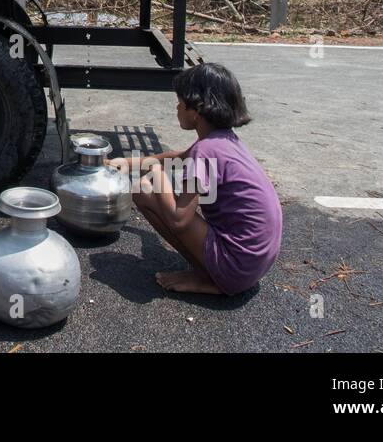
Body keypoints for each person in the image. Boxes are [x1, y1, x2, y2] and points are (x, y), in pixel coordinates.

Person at [109, 63, 282, 295]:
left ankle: (210, 279)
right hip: (253, 264)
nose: (177, 107)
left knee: (144, 189)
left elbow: (179, 219)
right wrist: (126, 163)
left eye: (180, 102)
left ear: (197, 109)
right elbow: (176, 157)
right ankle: (211, 272)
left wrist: (154, 171)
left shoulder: (207, 151)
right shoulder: (222, 141)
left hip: (237, 268)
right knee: (146, 189)